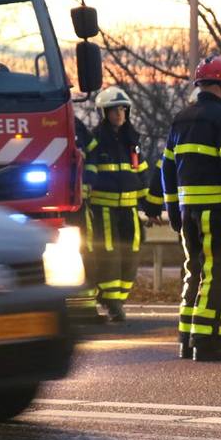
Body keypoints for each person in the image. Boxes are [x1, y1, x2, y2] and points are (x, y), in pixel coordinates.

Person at [161, 55, 221, 361]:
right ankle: (207, 340)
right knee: (219, 274)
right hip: (219, 212)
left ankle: (187, 338)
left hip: (189, 212)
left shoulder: (181, 119)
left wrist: (173, 210)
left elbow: (166, 168)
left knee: (194, 271)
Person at [82, 86, 149, 322]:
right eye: (113, 110)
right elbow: (88, 172)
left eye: (122, 109)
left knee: (131, 252)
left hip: (130, 209)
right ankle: (111, 300)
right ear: (104, 113)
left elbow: (141, 174)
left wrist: (149, 205)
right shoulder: (96, 141)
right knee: (109, 253)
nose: (119, 114)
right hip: (104, 209)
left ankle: (118, 298)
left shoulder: (133, 141)